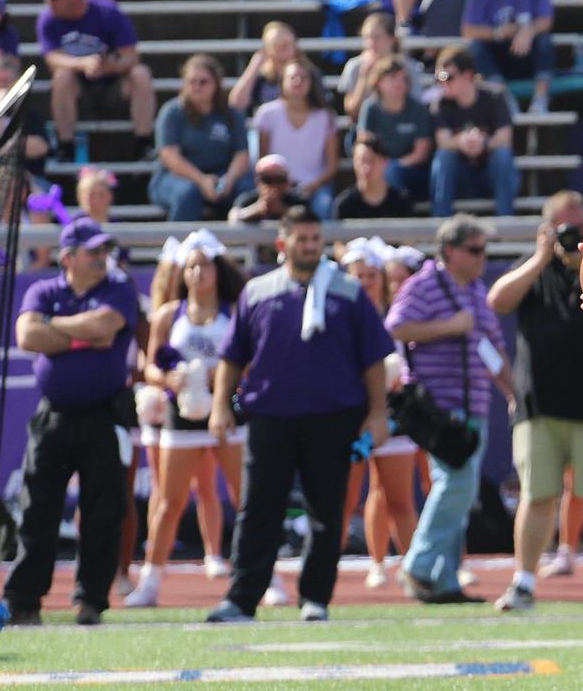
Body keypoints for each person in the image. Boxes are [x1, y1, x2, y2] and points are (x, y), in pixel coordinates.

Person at [206, 207, 395, 623]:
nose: (310, 246)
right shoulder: (257, 291)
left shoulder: (347, 290)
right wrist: (220, 403)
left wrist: (378, 412)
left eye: (315, 239)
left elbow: (374, 358)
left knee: (326, 511)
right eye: (302, 239)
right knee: (258, 508)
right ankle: (242, 598)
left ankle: (316, 597)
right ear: (282, 243)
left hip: (333, 416)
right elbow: (232, 356)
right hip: (270, 417)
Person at [488, 189, 583, 612]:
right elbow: (497, 300)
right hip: (540, 404)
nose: (575, 236)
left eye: (581, 227)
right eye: (566, 228)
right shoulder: (536, 270)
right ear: (548, 230)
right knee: (537, 495)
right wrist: (540, 256)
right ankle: (524, 581)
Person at [6, 216, 137, 626]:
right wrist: (83, 335)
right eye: (93, 252)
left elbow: (105, 326)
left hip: (103, 412)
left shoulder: (118, 287)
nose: (102, 259)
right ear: (68, 258)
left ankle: (90, 600)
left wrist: (53, 328)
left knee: (103, 511)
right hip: (55, 414)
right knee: (37, 510)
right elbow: (27, 336)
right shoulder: (44, 289)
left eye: (104, 251)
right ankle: (24, 600)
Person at [387, 217, 507, 602]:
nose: (481, 258)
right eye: (474, 250)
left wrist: (513, 390)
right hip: (438, 407)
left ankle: (444, 582)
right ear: (449, 251)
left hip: (475, 405)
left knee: (463, 488)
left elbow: (493, 346)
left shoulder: (476, 290)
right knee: (454, 484)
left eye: (484, 250)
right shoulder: (423, 285)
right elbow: (396, 327)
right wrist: (449, 325)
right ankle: (418, 565)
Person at [124, 231, 244, 608]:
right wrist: (172, 378)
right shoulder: (168, 314)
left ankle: (262, 574)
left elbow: (250, 362)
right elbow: (150, 367)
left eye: (204, 265)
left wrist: (221, 379)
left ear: (217, 268)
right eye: (190, 266)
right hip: (183, 416)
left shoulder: (234, 312)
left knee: (246, 498)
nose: (197, 272)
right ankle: (151, 581)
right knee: (169, 501)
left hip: (227, 413)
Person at [337, 240, 418, 590]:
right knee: (346, 496)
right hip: (353, 423)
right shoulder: (338, 316)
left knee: (397, 496)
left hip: (394, 420)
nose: (366, 282)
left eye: (372, 275)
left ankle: (414, 567)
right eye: (359, 276)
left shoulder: (395, 315)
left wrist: (400, 380)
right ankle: (348, 568)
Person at [35, 0, 154, 159]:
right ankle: (66, 146)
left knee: (141, 73)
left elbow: (131, 56)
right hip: (78, 87)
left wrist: (109, 66)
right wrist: (82, 64)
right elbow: (52, 59)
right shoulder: (47, 18)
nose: (49, 1)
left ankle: (144, 143)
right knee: (61, 76)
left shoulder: (108, 11)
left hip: (113, 84)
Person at [151, 54, 253, 221]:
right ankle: (179, 245)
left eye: (203, 82)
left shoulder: (231, 114)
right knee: (188, 193)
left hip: (222, 175)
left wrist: (229, 180)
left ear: (216, 83)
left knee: (247, 190)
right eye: (191, 82)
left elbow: (241, 154)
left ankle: (247, 245)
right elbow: (170, 156)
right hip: (175, 177)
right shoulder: (172, 112)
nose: (197, 87)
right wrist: (201, 180)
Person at [460, 0, 555, 108]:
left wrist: (528, 31)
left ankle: (541, 99)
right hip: (497, 55)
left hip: (526, 53)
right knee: (475, 47)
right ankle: (503, 99)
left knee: (544, 41)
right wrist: (498, 33)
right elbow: (468, 30)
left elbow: (546, 20)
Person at [429, 43, 516, 216]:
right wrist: (462, 141)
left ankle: (506, 224)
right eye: (439, 78)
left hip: (490, 175)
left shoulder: (495, 96)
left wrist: (483, 142)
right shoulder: (440, 103)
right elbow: (443, 142)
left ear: (468, 75)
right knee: (444, 156)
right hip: (460, 176)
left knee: (502, 155)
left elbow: (505, 139)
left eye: (448, 77)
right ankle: (439, 224)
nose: (442, 83)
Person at [252, 59, 339, 218]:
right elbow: (262, 161)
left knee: (324, 205)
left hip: (315, 187)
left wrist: (311, 187)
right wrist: (276, 187)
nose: (298, 81)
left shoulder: (326, 117)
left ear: (311, 83)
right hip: (274, 186)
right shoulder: (266, 114)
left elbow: (332, 166)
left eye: (303, 77)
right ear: (283, 81)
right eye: (293, 77)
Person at [356, 54, 433, 201]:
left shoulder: (418, 109)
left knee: (393, 171)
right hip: (378, 170)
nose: (399, 82)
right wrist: (380, 167)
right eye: (392, 77)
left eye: (402, 78)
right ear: (378, 83)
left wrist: (392, 166)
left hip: (413, 173)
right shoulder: (370, 108)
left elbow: (420, 153)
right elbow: (364, 146)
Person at [338, 10, 423, 115]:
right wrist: (363, 79)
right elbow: (352, 113)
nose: (371, 43)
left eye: (377, 37)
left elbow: (416, 111)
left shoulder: (409, 67)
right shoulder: (355, 66)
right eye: (367, 37)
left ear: (392, 39)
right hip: (365, 129)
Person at [228, 19, 302, 115]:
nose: (281, 49)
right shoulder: (261, 78)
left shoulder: (306, 74)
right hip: (266, 127)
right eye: (275, 44)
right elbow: (236, 104)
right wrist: (254, 66)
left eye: (285, 44)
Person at [333, 135, 415, 221]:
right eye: (361, 161)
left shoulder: (401, 203)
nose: (366, 168)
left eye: (371, 161)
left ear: (385, 162)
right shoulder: (345, 205)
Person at [229, 153, 308, 226]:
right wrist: (257, 209)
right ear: (257, 182)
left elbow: (307, 222)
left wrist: (282, 210)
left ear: (287, 182)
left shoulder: (297, 200)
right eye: (267, 180)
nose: (273, 185)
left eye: (279, 179)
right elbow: (233, 218)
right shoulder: (247, 199)